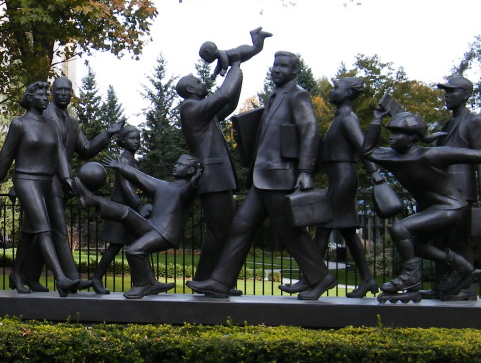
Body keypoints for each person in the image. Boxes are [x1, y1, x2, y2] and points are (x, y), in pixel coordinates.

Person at [186, 51, 336, 300]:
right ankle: (220, 282)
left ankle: (320, 277)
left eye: (284, 66)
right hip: (262, 177)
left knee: (289, 230)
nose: (277, 70)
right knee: (240, 227)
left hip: (279, 177)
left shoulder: (298, 95)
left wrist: (306, 171)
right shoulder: (276, 95)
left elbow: (309, 130)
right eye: (275, 65)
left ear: (294, 71)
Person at [362, 107, 481, 300]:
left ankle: (411, 278)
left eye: (399, 133)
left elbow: (465, 154)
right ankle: (461, 265)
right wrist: (376, 119)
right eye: (392, 132)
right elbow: (367, 150)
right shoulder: (390, 156)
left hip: (452, 208)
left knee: (399, 229)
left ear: (413, 137)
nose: (392, 137)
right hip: (436, 209)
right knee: (415, 245)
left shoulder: (429, 154)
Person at [19, 75, 120, 292]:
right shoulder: (42, 114)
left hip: (61, 183)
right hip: (42, 179)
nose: (64, 93)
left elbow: (85, 150)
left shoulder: (72, 122)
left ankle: (28, 275)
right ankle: (70, 279)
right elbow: (25, 149)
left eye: (68, 90)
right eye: (59, 90)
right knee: (56, 230)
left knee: (39, 232)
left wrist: (107, 134)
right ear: (52, 92)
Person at [279, 76, 378, 298]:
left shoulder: (348, 118)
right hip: (338, 177)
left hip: (344, 178)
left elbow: (363, 148)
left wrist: (376, 175)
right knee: (348, 231)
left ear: (349, 93)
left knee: (323, 226)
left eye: (336, 88)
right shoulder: (339, 118)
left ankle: (311, 278)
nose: (331, 91)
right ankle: (368, 279)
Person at [0, 81, 84, 296]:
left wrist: (67, 179)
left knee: (28, 234)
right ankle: (62, 279)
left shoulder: (51, 124)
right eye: (40, 94)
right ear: (29, 98)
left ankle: (17, 274)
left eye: (45, 95)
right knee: (44, 228)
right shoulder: (19, 124)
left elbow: (59, 153)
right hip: (26, 180)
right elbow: (6, 154)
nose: (45, 98)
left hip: (47, 182)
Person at [76, 154, 202, 298]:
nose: (175, 166)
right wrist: (120, 166)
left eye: (180, 165)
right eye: (177, 163)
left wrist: (194, 182)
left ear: (191, 170)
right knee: (126, 212)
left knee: (134, 251)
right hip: (151, 227)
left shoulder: (186, 190)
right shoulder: (164, 186)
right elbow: (139, 177)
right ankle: (92, 199)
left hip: (165, 235)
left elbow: (190, 192)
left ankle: (142, 285)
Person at [427, 73, 481, 300]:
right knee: (440, 240)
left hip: (463, 191)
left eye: (451, 91)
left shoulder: (474, 121)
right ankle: (442, 286)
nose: (446, 96)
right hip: (443, 191)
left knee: (459, 240)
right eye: (445, 91)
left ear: (465, 94)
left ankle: (466, 288)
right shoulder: (446, 124)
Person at [177, 61, 244, 286]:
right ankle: (205, 279)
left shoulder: (203, 112)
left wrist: (239, 72)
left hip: (218, 179)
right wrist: (235, 63)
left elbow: (230, 101)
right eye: (196, 81)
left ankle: (216, 280)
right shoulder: (190, 107)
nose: (200, 82)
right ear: (190, 90)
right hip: (213, 179)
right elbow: (223, 94)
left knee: (224, 230)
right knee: (219, 231)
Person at [87, 125, 144, 292]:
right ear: (122, 141)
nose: (137, 142)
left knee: (137, 246)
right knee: (116, 247)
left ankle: (143, 283)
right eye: (133, 138)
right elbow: (126, 188)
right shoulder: (124, 160)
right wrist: (139, 206)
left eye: (138, 139)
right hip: (122, 209)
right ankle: (97, 279)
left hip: (126, 208)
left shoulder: (130, 159)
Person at [197, 27, 273, 79]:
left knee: (256, 48)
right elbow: (218, 67)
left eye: (205, 58)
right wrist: (214, 74)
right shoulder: (219, 59)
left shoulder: (221, 53)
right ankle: (254, 35)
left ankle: (258, 35)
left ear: (208, 52)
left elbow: (225, 60)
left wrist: (225, 69)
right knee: (255, 48)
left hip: (239, 52)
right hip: (237, 59)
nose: (205, 61)